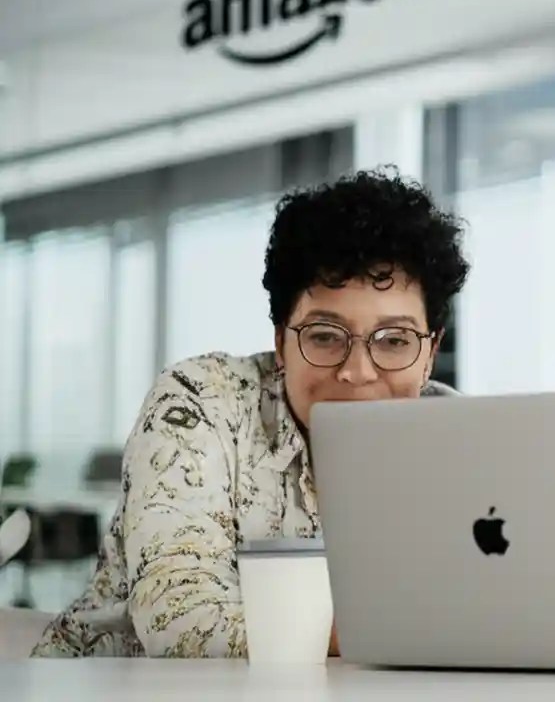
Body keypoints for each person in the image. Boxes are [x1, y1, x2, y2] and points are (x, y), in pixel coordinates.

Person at [32, 169, 469, 658]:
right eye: (325, 335)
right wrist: (405, 631)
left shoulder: (453, 436)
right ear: (281, 341)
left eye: (394, 341)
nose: (358, 373)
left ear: (431, 353)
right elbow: (181, 623)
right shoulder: (202, 402)